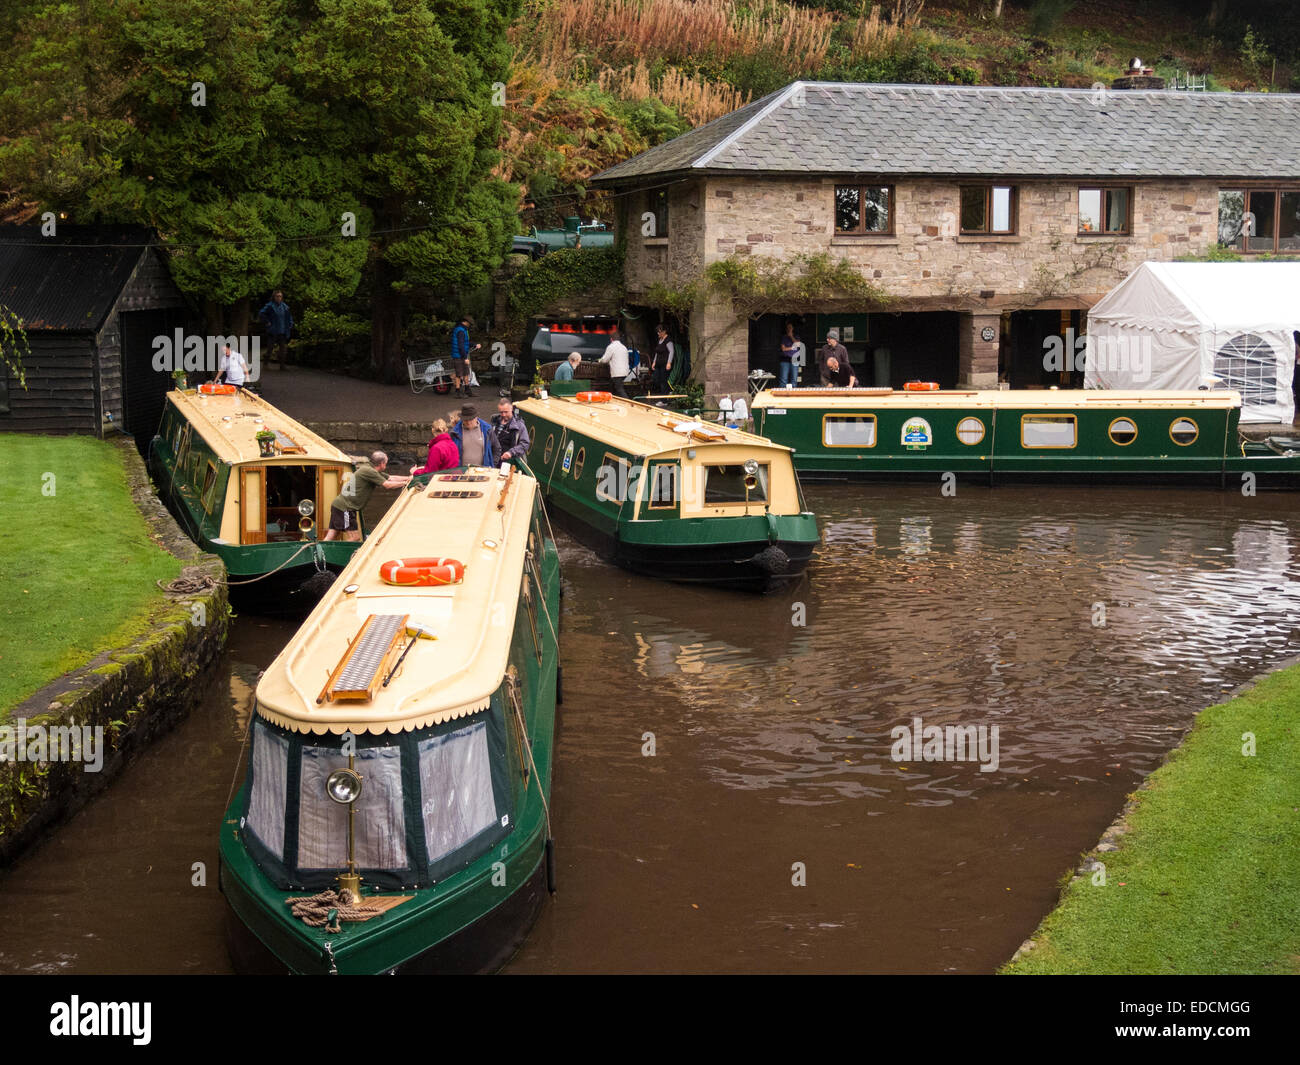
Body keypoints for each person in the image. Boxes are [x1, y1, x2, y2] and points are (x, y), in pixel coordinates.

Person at [325, 451, 409, 541]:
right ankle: (341, 554)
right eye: (386, 463)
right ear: (382, 463)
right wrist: (405, 483)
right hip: (345, 508)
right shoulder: (369, 471)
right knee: (354, 538)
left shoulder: (370, 469)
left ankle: (319, 553)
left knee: (331, 536)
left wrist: (408, 478)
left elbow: (390, 478)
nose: (386, 465)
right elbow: (387, 485)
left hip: (339, 506)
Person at [257, 290, 294, 370]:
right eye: (277, 296)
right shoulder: (270, 306)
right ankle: (265, 364)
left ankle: (282, 365)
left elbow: (289, 316)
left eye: (280, 296)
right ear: (274, 297)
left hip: (282, 330)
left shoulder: (285, 306)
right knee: (270, 348)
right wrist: (267, 322)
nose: (279, 298)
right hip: (273, 330)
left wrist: (290, 323)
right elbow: (261, 313)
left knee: (283, 349)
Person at [451, 315, 481, 398]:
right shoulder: (460, 331)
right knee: (459, 374)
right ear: (465, 322)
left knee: (466, 373)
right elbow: (461, 345)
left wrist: (475, 345)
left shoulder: (463, 330)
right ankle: (457, 392)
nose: (470, 325)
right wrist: (465, 358)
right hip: (458, 355)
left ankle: (467, 390)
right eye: (469, 324)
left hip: (462, 354)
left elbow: (466, 343)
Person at [599, 328, 630, 398]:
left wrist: (600, 360)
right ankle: (614, 400)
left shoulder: (611, 347)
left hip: (617, 372)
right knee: (613, 386)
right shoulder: (624, 347)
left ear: (611, 339)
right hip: (625, 371)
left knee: (619, 389)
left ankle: (628, 403)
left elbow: (605, 359)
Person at [649, 324, 674, 396]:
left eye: (659, 332)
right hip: (658, 364)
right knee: (656, 379)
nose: (658, 333)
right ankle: (669, 391)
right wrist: (654, 362)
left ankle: (664, 400)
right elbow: (657, 352)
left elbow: (671, 351)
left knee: (663, 381)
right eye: (657, 332)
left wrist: (669, 363)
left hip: (665, 364)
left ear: (664, 331)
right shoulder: (660, 340)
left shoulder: (668, 340)